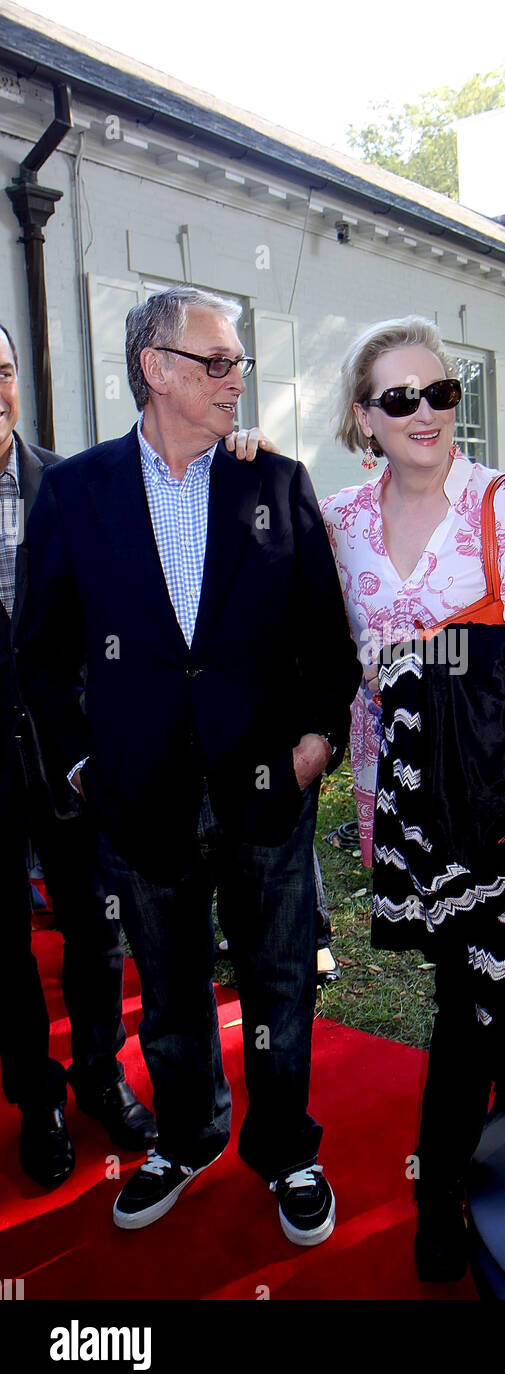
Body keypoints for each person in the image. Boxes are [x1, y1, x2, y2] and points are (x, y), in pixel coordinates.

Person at [18, 285, 361, 1242]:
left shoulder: (272, 482)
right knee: (167, 989)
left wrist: (314, 742)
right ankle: (186, 1135)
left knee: (279, 981)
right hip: (142, 799)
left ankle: (288, 1147)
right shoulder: (78, 495)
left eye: (239, 360)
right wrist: (85, 765)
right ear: (156, 370)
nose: (236, 379)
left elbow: (321, 638)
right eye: (216, 362)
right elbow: (41, 653)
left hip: (265, 788)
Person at [322, 316, 505, 1280]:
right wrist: (243, 460)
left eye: (440, 393)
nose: (425, 413)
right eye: (400, 399)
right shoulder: (339, 520)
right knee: (484, 989)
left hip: (489, 795)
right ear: (365, 420)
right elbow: (299, 617)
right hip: (394, 796)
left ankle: (441, 1196)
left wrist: (421, 660)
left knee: (462, 995)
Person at [0, 320, 156, 1187]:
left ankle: (100, 1075)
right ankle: (38, 1098)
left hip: (67, 754)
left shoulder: (72, 485)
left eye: (2, 370)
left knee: (97, 933)